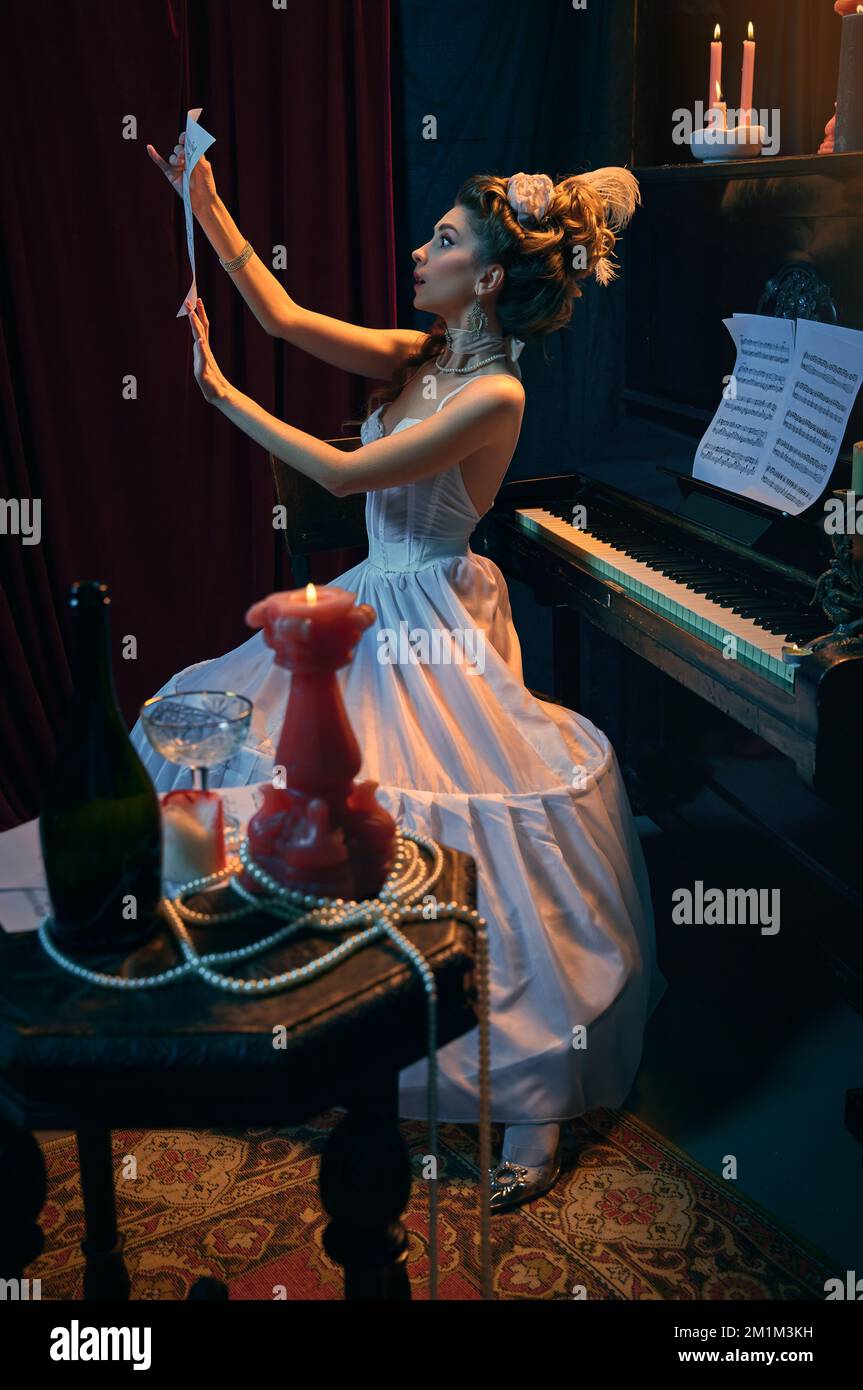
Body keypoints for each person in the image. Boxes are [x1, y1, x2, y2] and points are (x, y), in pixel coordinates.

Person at [138, 133, 667, 1210]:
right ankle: (332, 1027)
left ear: (486, 278)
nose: (418, 249)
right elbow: (283, 314)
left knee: (466, 839)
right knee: (315, 807)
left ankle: (527, 1090)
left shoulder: (494, 395)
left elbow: (337, 468)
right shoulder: (419, 354)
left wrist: (219, 393)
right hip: (374, 599)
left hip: (432, 611)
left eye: (441, 238)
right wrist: (203, 199)